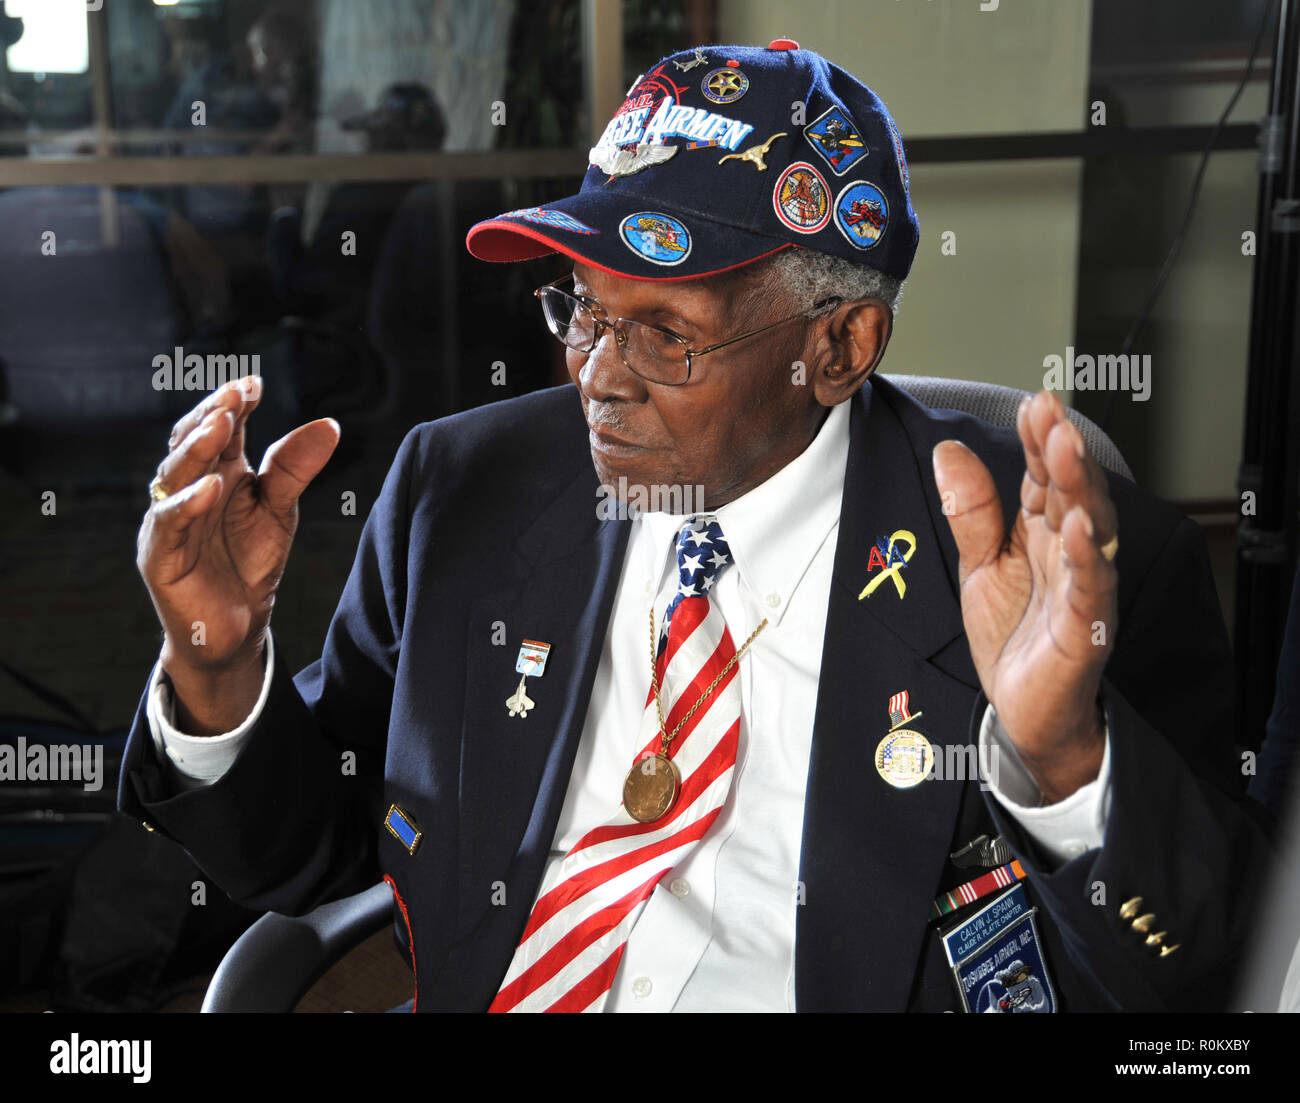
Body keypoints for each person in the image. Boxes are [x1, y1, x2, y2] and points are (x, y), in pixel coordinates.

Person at [120, 42, 1271, 1012]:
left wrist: (1066, 763)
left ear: (838, 348)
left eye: (664, 331)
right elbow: (307, 848)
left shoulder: (1052, 574)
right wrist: (217, 665)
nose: (596, 378)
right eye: (580, 309)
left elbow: (1189, 983)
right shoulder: (459, 485)